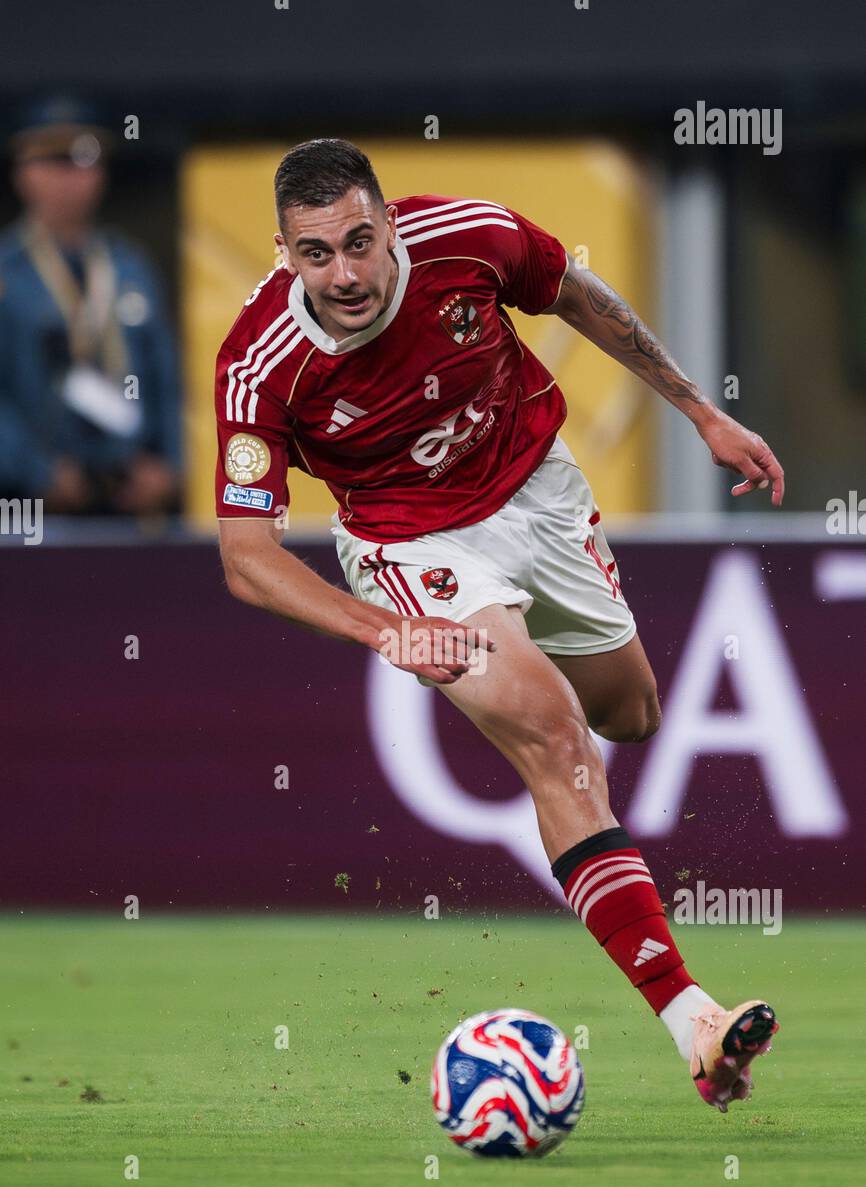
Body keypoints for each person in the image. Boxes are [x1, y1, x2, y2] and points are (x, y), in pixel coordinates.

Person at [215, 138, 782, 1113]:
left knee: (630, 713)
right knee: (556, 737)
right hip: (415, 546)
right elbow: (247, 558)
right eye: (316, 254)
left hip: (540, 493)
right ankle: (687, 1015)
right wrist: (382, 631)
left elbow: (572, 292)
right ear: (282, 252)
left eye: (359, 241)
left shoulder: (464, 236)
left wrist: (698, 413)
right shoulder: (260, 362)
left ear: (389, 222)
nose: (344, 274)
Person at [0, 96, 180, 516]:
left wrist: (169, 467)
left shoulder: (130, 267)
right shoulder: (9, 273)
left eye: (86, 160)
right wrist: (36, 471)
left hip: (129, 492)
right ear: (22, 172)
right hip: (30, 502)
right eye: (54, 161)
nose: (73, 177)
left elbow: (166, 378)